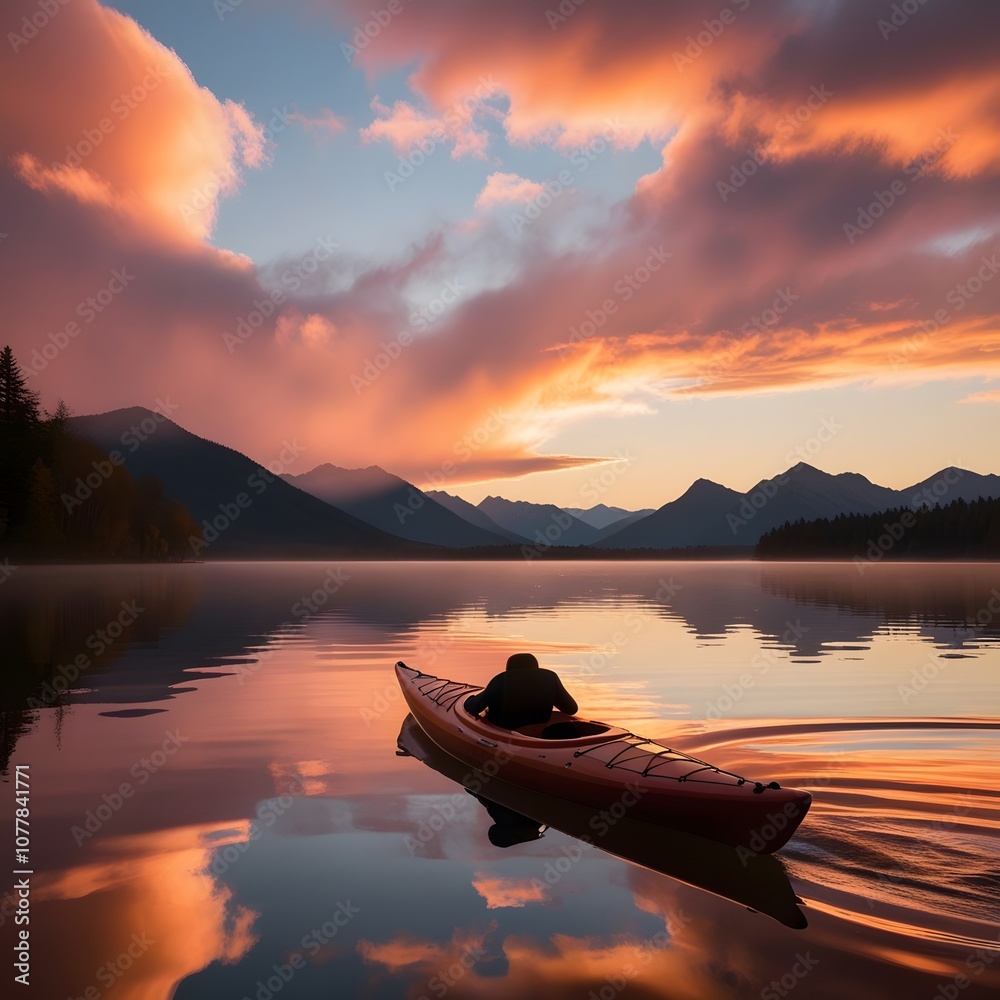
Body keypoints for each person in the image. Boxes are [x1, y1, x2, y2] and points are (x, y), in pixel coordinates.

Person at [464, 653, 578, 731]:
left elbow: (474, 708)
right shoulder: (550, 678)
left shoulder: (501, 680)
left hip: (506, 733)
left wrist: (468, 700)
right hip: (537, 732)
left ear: (508, 668)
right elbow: (571, 709)